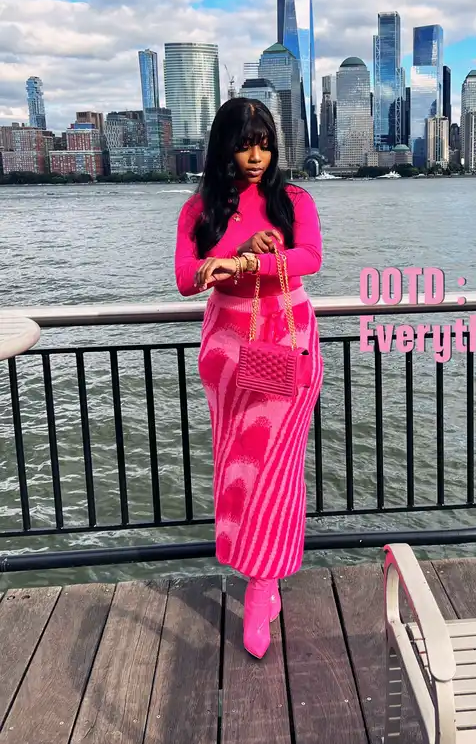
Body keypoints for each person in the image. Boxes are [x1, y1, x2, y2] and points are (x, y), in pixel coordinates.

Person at [174, 97, 324, 658]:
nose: (256, 156)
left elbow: (311, 257)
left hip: (287, 340)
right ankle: (259, 572)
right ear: (224, 148)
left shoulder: (294, 199)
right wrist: (235, 251)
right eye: (243, 145)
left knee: (277, 468)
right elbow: (185, 277)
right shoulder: (199, 209)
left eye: (264, 144)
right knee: (238, 468)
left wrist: (251, 262)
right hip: (228, 351)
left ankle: (262, 586)